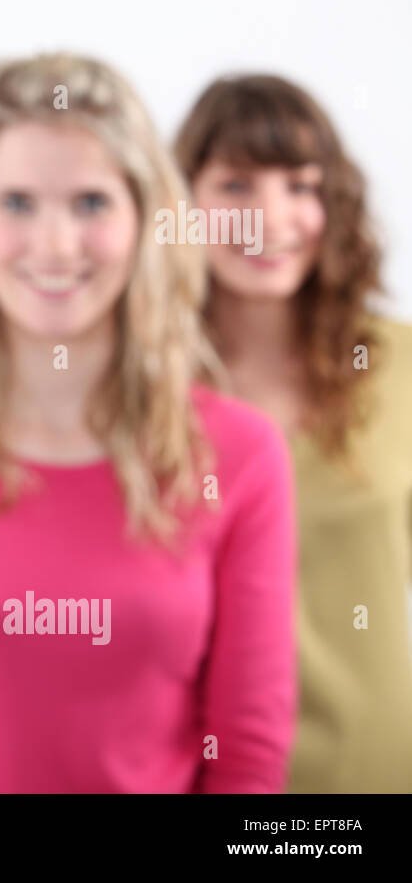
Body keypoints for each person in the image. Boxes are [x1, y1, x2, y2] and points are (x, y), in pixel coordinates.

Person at [0, 53, 297, 792]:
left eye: (91, 203)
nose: (55, 245)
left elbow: (247, 755)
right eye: (16, 203)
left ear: (143, 221)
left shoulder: (239, 453)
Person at [176, 74, 412, 793]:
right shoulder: (136, 385)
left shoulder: (398, 365)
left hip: (375, 767)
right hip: (196, 774)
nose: (269, 219)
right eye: (237, 187)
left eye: (301, 186)